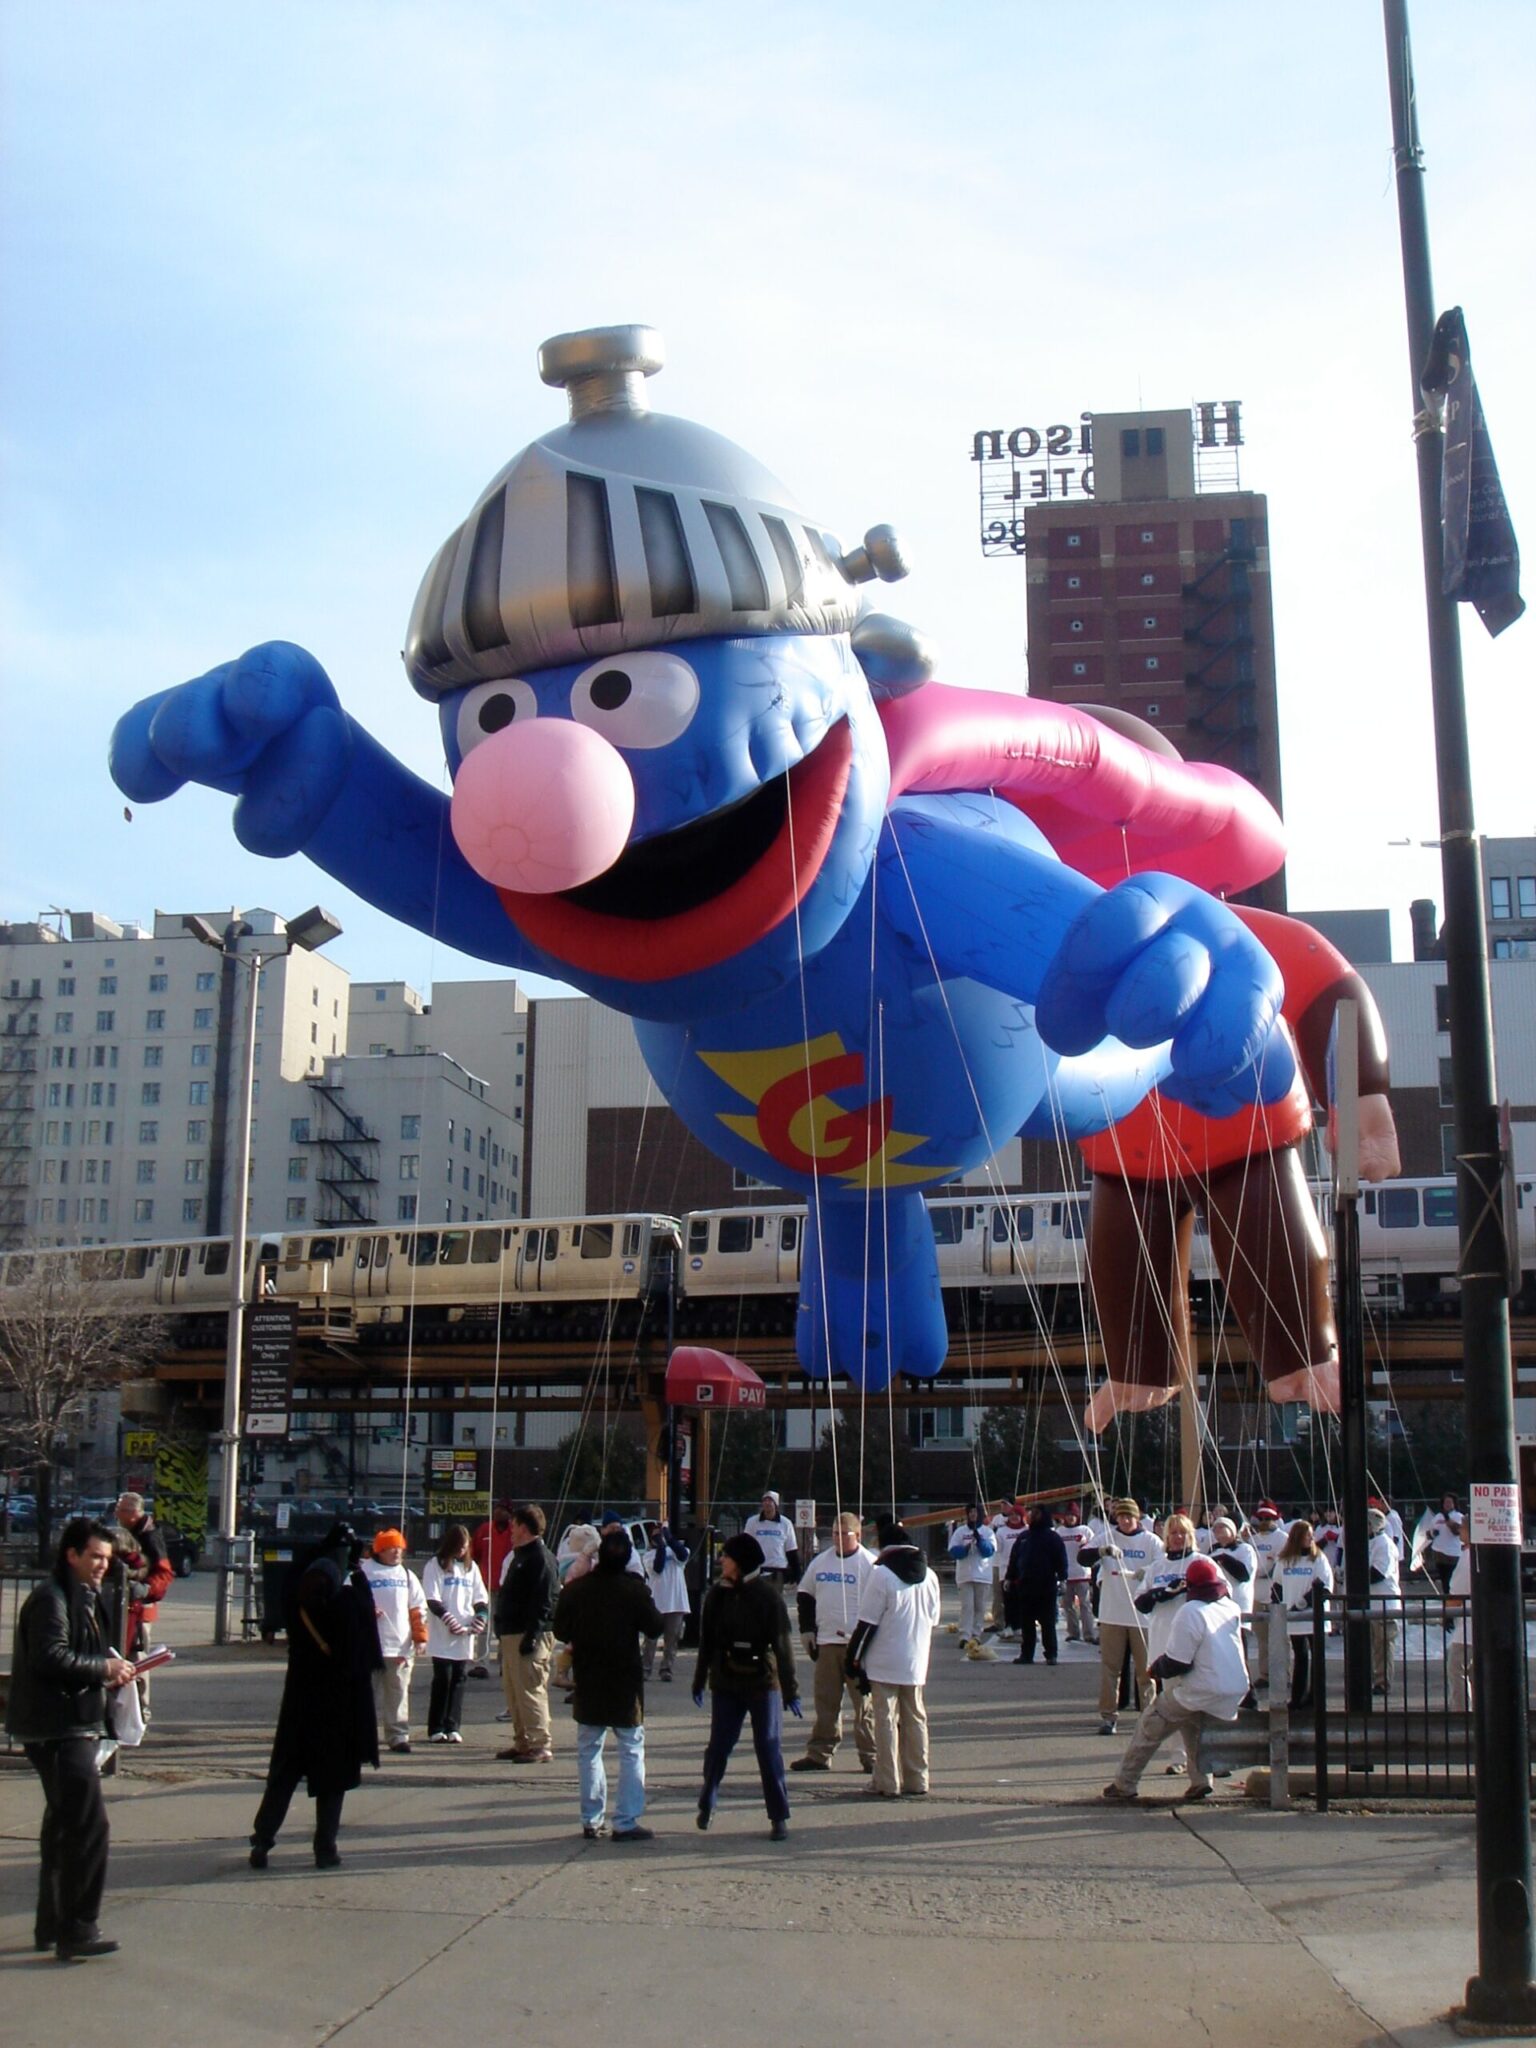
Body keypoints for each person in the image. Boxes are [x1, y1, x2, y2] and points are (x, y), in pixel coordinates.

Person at [5, 1518, 137, 1960]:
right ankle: (78, 1927)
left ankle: (53, 1924)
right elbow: (50, 1656)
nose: (103, 1565)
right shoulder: (52, 1599)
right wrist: (104, 1669)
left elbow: (76, 1654)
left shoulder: (81, 1597)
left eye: (107, 1558)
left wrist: (112, 1669)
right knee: (88, 1825)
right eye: (95, 1556)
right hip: (57, 1729)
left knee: (64, 1827)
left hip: (71, 1725)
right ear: (72, 1555)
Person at [250, 1522, 381, 1871]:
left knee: (284, 1774)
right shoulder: (350, 1599)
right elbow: (366, 1648)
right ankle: (325, 1848)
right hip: (337, 1700)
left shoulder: (297, 1587)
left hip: (299, 1696)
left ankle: (262, 1840)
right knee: (332, 1779)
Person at [1102, 1554, 1248, 1804]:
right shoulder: (1230, 1607)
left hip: (1202, 1687)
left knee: (1152, 1722)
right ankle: (1201, 1781)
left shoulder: (1190, 1611)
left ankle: (1124, 1783)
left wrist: (1155, 1670)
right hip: (1234, 1688)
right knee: (1190, 1721)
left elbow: (1178, 1661)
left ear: (1190, 1586)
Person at [553, 1526, 665, 1841]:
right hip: (625, 1682)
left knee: (589, 1748)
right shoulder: (633, 1591)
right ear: (629, 1558)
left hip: (588, 1677)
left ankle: (591, 1819)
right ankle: (626, 1821)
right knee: (630, 1749)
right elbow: (655, 1627)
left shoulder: (576, 1590)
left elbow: (560, 1630)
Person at [693, 1532, 801, 1839]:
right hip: (726, 1678)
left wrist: (790, 1690)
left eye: (726, 1555)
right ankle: (708, 1800)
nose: (721, 1560)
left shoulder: (768, 1597)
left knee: (768, 1745)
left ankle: (778, 1816)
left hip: (761, 1680)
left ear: (740, 1562)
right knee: (718, 1746)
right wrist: (699, 1680)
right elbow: (707, 1642)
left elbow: (782, 1646)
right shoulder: (718, 1594)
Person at [846, 1522, 942, 1799]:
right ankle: (918, 1778)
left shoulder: (882, 1575)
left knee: (885, 1720)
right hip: (916, 1657)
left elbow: (867, 1623)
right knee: (916, 1717)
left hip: (883, 1659)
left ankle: (887, 1780)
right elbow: (934, 1619)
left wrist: (853, 1658)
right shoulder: (931, 1576)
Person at [791, 1511, 877, 1774]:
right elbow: (805, 1595)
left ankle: (871, 1755)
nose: (838, 1539)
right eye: (835, 1534)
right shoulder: (821, 1562)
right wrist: (807, 1631)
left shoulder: (869, 1564)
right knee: (826, 1701)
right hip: (827, 1642)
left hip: (858, 1645)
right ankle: (820, 1753)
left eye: (844, 1534)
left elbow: (878, 1606)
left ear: (858, 1535)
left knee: (865, 1705)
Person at [1080, 1500, 1164, 1735]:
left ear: (1137, 1518)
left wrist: (1146, 1571)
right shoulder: (1107, 1536)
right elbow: (1082, 1558)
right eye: (1121, 1517)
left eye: (1130, 1517)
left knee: (1146, 1670)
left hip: (1141, 1617)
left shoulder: (1151, 1541)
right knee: (1110, 1668)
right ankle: (1109, 1716)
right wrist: (1102, 1551)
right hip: (1112, 1614)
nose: (1125, 1521)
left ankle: (1148, 1717)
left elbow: (1163, 1566)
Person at [496, 1503, 560, 1763]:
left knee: (530, 1689)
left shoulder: (540, 1558)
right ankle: (522, 1741)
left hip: (528, 1634)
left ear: (523, 1527)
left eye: (514, 1525)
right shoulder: (520, 1556)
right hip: (512, 1633)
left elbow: (545, 1600)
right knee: (514, 1691)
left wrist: (532, 1635)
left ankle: (540, 1743)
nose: (511, 1530)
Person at [360, 1528, 427, 1754]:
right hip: (369, 1645)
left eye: (400, 1547)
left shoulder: (407, 1576)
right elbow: (349, 1600)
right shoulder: (363, 1572)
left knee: (398, 1692)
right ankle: (362, 1735)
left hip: (399, 1646)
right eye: (391, 1547)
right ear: (380, 1550)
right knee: (365, 1694)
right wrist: (366, 1609)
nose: (397, 1552)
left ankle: (398, 1735)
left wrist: (420, 1637)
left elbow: (418, 1608)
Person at [421, 1524, 489, 1742]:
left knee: (459, 1678)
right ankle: (436, 1727)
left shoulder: (471, 1568)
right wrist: (449, 1620)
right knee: (443, 1677)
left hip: (464, 1634)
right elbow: (432, 1599)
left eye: (465, 1547)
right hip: (443, 1633)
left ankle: (453, 1726)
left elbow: (481, 1598)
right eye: (458, 1547)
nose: (461, 1551)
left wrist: (480, 1618)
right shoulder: (435, 1565)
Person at [1271, 1518, 1333, 1709]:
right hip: (1293, 1617)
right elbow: (1277, 1586)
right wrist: (1280, 1607)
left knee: (1317, 1656)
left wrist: (1303, 1602)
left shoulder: (1318, 1558)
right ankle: (1297, 1698)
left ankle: (1316, 1696)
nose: (1311, 1538)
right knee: (1300, 1656)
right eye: (1307, 1535)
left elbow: (1325, 1587)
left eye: (1311, 1535)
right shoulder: (1284, 1560)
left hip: (1313, 1615)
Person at [1003, 1506, 1069, 1664]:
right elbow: (1014, 1559)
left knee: (1048, 1622)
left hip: (1047, 1585)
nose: (1031, 1516)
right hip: (1026, 1584)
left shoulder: (1053, 1537)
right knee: (1026, 1622)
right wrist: (1009, 1578)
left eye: (1035, 1514)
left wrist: (1063, 1578)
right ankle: (1027, 1654)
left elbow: (1061, 1559)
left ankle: (1051, 1654)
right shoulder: (1024, 1537)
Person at [1135, 1511, 1199, 1670]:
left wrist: (1191, 1587)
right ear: (1166, 1537)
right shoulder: (1157, 1567)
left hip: (1193, 1641)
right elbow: (1140, 1602)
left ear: (1191, 1536)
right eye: (1173, 1533)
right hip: (1161, 1640)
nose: (1178, 1537)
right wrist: (1163, 1593)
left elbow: (1223, 1592)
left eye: (1183, 1533)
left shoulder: (1202, 1562)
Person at [1208, 1517, 1257, 1708]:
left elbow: (1243, 1575)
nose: (1218, 1531)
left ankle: (1248, 1693)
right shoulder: (1212, 1551)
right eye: (1215, 1528)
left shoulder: (1245, 1550)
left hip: (1238, 1607)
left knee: (1239, 1652)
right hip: (1217, 1608)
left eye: (1222, 1528)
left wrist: (1223, 1558)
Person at [1244, 1501, 1289, 1691]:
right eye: (1261, 1518)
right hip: (1257, 1592)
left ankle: (1283, 1674)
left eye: (1268, 1519)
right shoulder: (1252, 1539)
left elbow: (1282, 1562)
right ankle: (1264, 1674)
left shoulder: (1282, 1538)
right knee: (1262, 1639)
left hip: (1276, 1594)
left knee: (1279, 1637)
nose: (1264, 1522)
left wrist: (1267, 1571)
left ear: (1275, 1519)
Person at [470, 1501, 517, 1676]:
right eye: (497, 1509)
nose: (498, 1512)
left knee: (505, 1627)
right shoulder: (484, 1530)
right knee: (484, 1626)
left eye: (503, 1510)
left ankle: (505, 1663)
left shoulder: (515, 1531)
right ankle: (482, 1662)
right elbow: (473, 1554)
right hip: (486, 1586)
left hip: (508, 1588)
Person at [643, 1522, 692, 1681]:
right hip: (657, 1602)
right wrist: (661, 1546)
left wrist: (668, 1537)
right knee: (651, 1639)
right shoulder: (648, 1556)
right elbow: (658, 1568)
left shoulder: (676, 1550)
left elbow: (683, 1555)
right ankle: (646, 1668)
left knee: (672, 1639)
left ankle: (666, 1669)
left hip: (676, 1602)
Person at [947, 1503, 997, 1654]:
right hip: (965, 1575)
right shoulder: (960, 1532)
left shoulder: (987, 1532)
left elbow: (989, 1551)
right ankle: (964, 1635)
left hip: (983, 1575)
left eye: (976, 1512)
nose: (973, 1515)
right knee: (967, 1606)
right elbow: (953, 1551)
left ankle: (976, 1634)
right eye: (970, 1512)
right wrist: (965, 1548)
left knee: (979, 1607)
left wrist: (980, 1541)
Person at [1365, 1504, 1402, 1696]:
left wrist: (1357, 1575)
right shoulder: (1370, 1543)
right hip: (1373, 1604)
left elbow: (1378, 1573)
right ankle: (1373, 1678)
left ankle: (1382, 1681)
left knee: (1384, 1645)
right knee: (1373, 1646)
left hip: (1385, 1603)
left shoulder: (1384, 1544)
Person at [1055, 1501, 1098, 1644]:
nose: (1071, 1518)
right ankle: (1073, 1632)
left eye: (1073, 1515)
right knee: (1067, 1605)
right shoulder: (1060, 1531)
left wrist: (1085, 1543)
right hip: (1066, 1574)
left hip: (1082, 1573)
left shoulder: (1085, 1530)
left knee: (1085, 1605)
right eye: (1068, 1515)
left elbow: (1094, 1548)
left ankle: (1089, 1633)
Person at [743, 1491, 800, 1585]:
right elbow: (746, 1546)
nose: (767, 1503)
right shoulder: (752, 1522)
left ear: (776, 1504)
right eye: (765, 1501)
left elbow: (791, 1550)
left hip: (778, 1570)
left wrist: (796, 1575)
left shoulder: (786, 1523)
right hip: (758, 1569)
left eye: (770, 1501)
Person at [989, 1502, 1026, 1636]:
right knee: (1008, 1600)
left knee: (1022, 1600)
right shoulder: (1002, 1531)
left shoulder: (1026, 1530)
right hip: (1006, 1570)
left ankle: (1022, 1626)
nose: (1014, 1517)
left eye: (1017, 1515)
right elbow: (998, 1550)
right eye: (1012, 1515)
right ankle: (1009, 1626)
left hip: (1023, 1572)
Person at [1424, 1494, 1465, 1597]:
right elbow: (1429, 1535)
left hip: (1454, 1554)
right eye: (1445, 1502)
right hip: (1440, 1554)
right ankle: (1446, 1599)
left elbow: (1457, 1532)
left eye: (1449, 1502)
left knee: (1454, 1579)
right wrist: (1432, 1533)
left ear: (1454, 1504)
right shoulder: (1437, 1517)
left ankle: (1453, 1599)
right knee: (1444, 1580)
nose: (1447, 1505)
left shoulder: (1459, 1516)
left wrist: (1447, 1519)